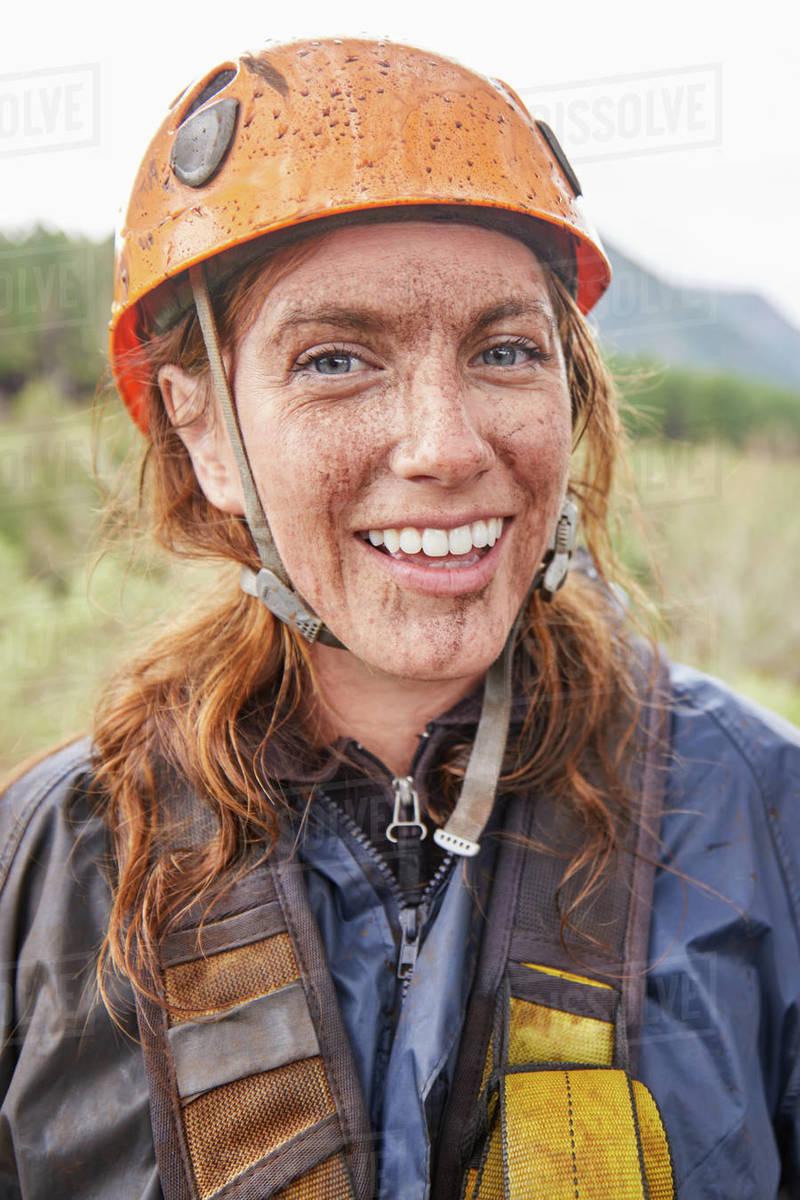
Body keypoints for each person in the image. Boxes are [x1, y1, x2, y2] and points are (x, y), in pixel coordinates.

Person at [1, 37, 799, 1200]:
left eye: (505, 350)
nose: (443, 446)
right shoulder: (59, 863)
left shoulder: (756, 818)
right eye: (334, 359)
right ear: (202, 429)